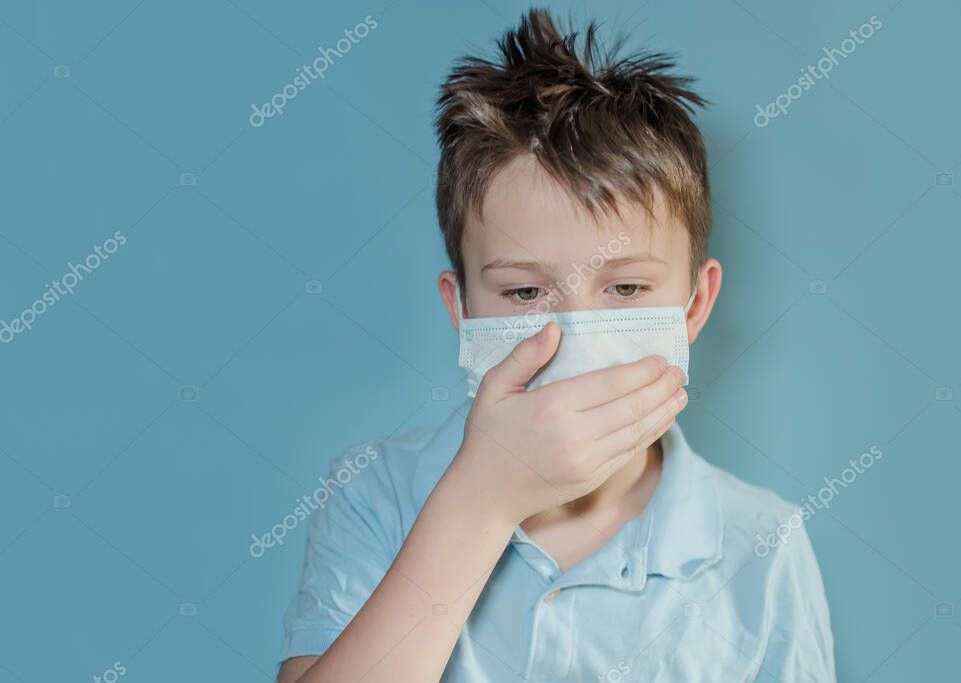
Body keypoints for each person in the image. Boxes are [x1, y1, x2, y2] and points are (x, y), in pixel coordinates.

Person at [277, 8, 835, 682]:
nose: (571, 338)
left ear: (695, 304)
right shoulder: (375, 494)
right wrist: (480, 499)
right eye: (523, 294)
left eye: (625, 288)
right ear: (461, 310)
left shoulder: (763, 545)